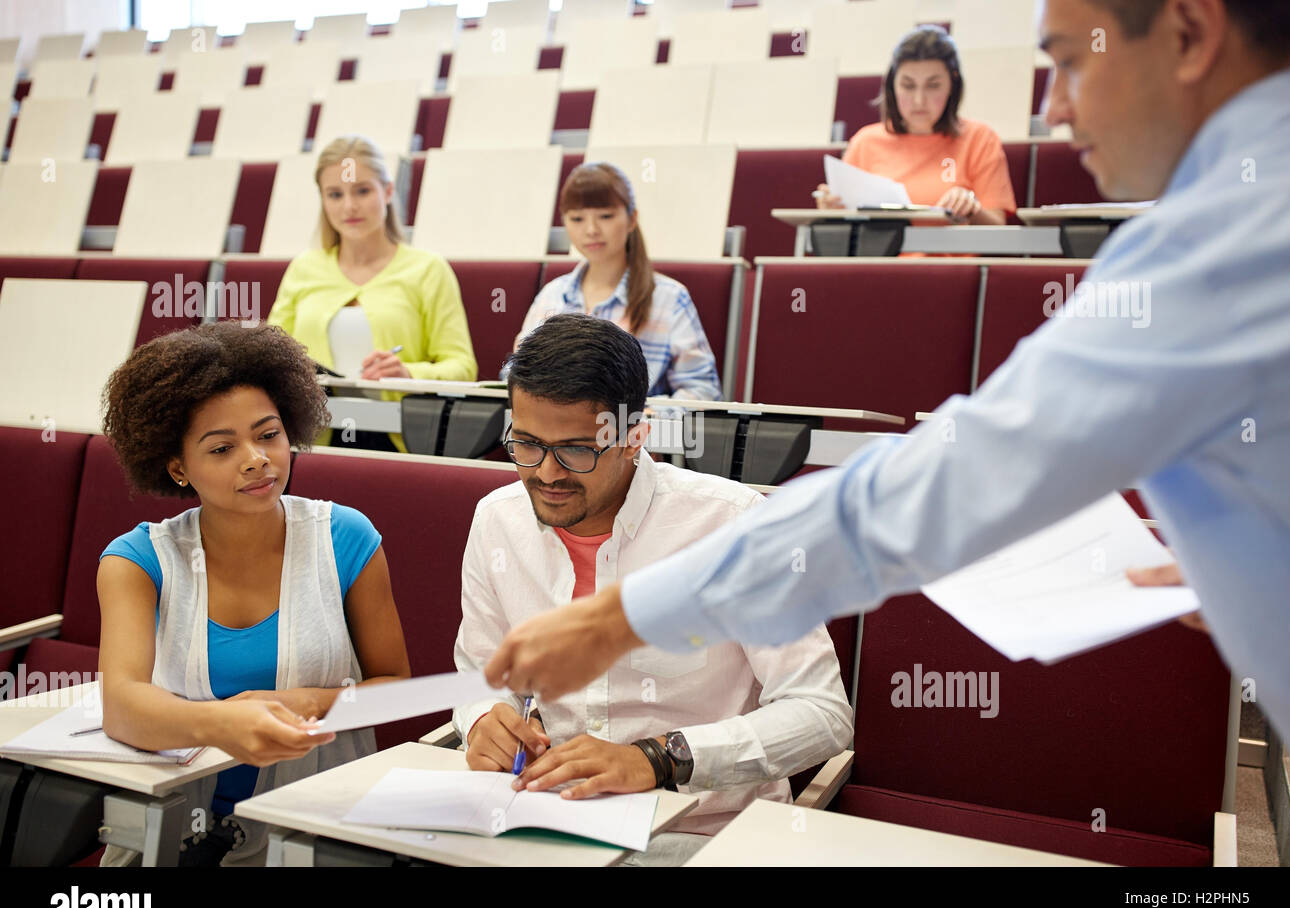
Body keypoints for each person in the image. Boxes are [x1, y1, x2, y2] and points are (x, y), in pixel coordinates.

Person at [483, 0, 1290, 753]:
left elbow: (952, 482)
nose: (1054, 108)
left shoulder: (1226, 239)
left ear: (1189, 33)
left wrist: (623, 617)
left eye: (1070, 62)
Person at [454, 314, 851, 865]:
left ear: (635, 437)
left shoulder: (733, 526)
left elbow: (822, 712)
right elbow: (479, 673)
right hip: (551, 820)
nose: (545, 473)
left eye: (576, 450)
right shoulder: (497, 520)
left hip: (703, 836)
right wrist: (483, 717)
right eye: (526, 444)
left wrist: (662, 759)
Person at [97, 322, 411, 865]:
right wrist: (224, 722)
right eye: (222, 448)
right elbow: (122, 707)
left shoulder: (346, 537)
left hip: (313, 830)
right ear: (178, 467)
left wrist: (307, 703)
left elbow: (395, 689)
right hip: (171, 828)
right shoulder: (136, 559)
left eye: (268, 435)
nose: (256, 458)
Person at [267, 135, 477, 452]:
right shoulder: (303, 268)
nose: (349, 206)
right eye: (335, 194)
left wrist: (408, 373)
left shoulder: (428, 269)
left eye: (362, 191)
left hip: (401, 437)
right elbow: (270, 357)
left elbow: (462, 368)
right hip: (311, 440)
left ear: (388, 191)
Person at [513, 162, 723, 401]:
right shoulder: (551, 295)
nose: (591, 230)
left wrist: (642, 416)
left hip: (636, 425)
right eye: (577, 218)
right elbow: (517, 375)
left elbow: (703, 391)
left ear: (632, 219)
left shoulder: (670, 298)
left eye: (605, 216)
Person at [816, 25, 1016, 225]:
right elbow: (844, 227)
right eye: (908, 86)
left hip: (953, 247)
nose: (919, 100)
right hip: (879, 246)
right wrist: (831, 210)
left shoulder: (979, 138)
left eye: (933, 85)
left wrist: (971, 210)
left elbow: (998, 230)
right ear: (892, 85)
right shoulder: (864, 142)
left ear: (952, 85)